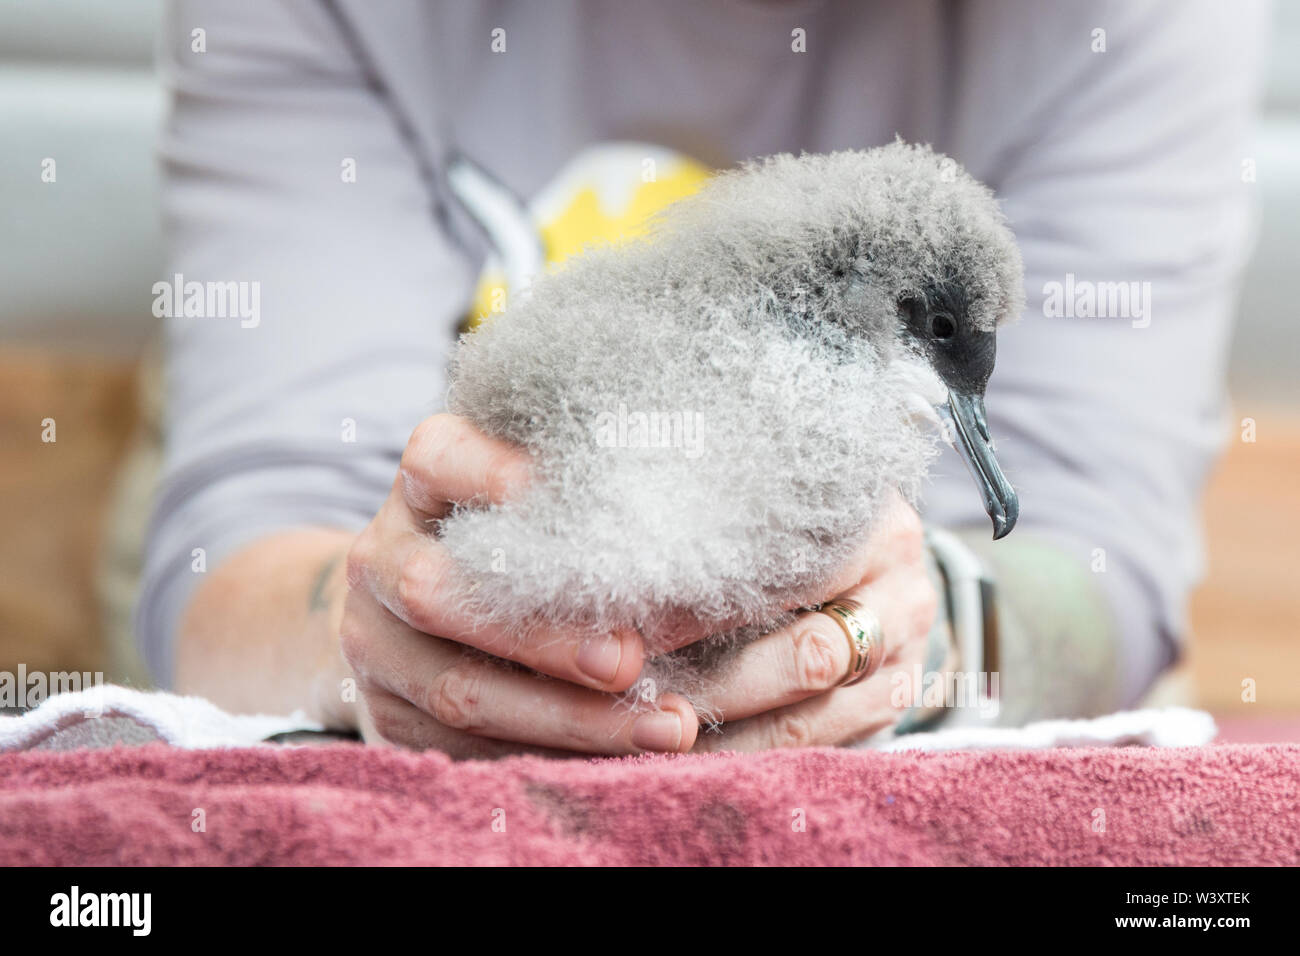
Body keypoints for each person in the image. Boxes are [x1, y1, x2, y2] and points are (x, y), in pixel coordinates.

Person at [136, 0, 1268, 756]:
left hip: (932, 659)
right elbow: (244, 529)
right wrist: (382, 638)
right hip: (374, 571)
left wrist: (914, 638)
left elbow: (1099, 554)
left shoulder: (1129, 20)